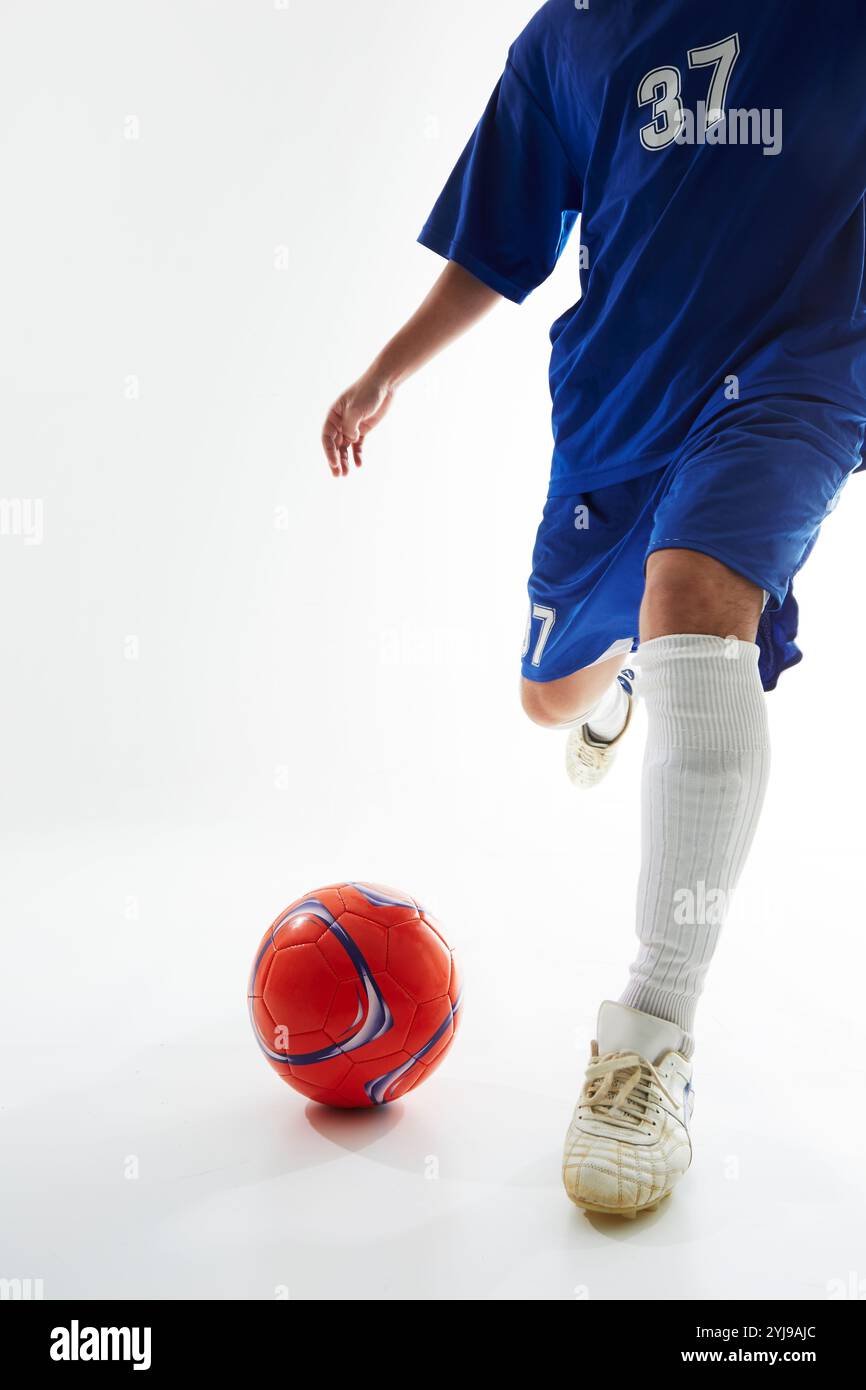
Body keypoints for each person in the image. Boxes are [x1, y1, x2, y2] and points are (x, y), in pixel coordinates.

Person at [320, 0, 866, 1216]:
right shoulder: (568, 35)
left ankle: (649, 1038)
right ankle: (622, 677)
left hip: (800, 373)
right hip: (617, 408)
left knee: (693, 593)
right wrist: (383, 372)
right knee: (544, 697)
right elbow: (497, 240)